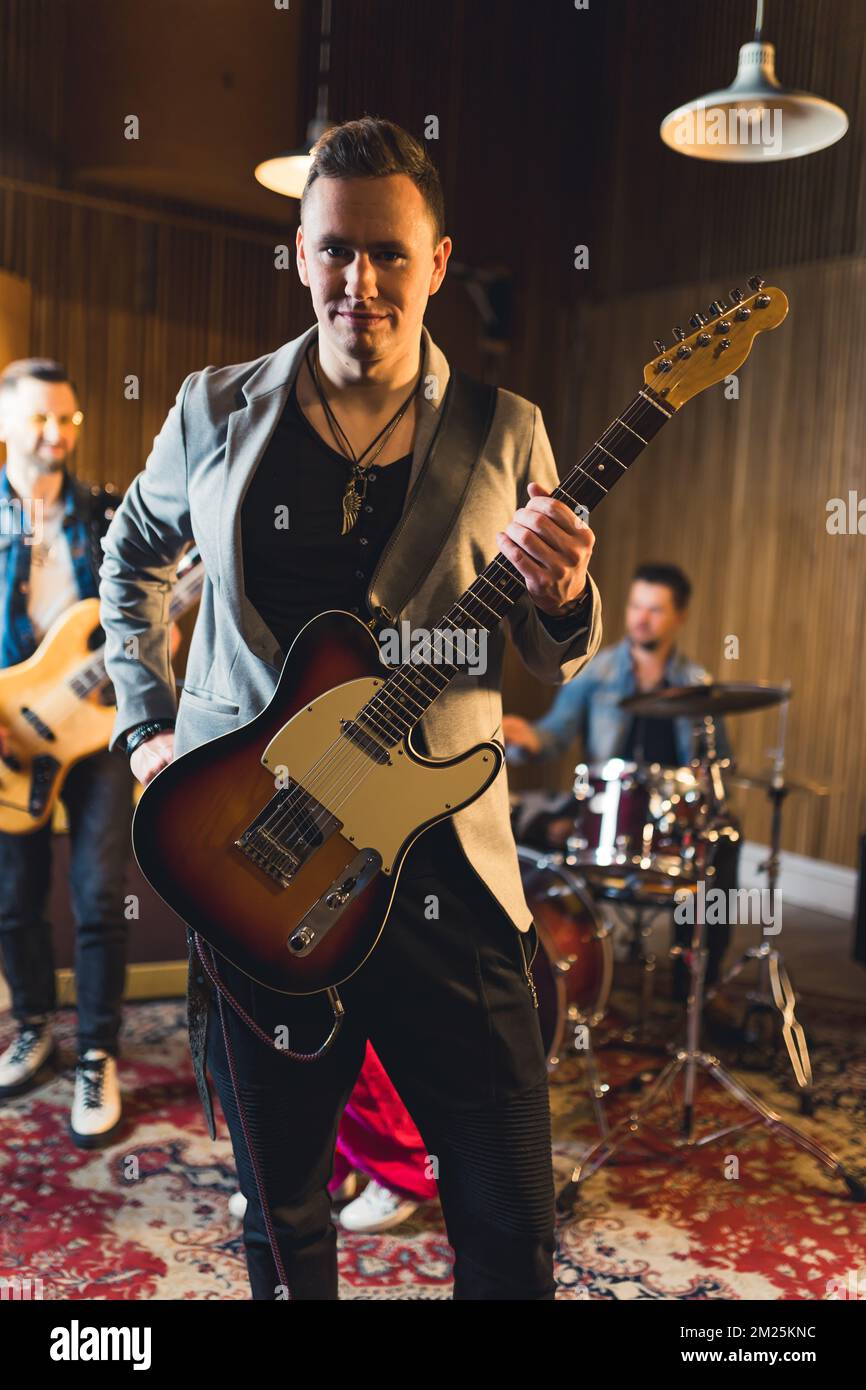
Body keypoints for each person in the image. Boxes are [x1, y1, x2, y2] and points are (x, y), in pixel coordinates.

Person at [99, 116, 602, 1301]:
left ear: (435, 262)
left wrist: (567, 593)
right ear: (298, 252)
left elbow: (547, 647)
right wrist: (144, 724)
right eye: (334, 250)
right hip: (258, 860)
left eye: (387, 254)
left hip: (445, 868)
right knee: (281, 1223)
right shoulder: (212, 409)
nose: (358, 283)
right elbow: (130, 557)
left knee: (509, 1218)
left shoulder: (506, 430)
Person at [0, 358, 133, 1146]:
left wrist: (162, 630)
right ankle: (35, 1027)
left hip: (101, 730)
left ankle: (97, 1053)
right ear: (7, 427)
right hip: (10, 729)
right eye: (43, 419)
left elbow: (146, 614)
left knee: (98, 892)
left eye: (70, 420)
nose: (59, 434)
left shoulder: (105, 513)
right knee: (13, 899)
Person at [504, 562, 739, 1003]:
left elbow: (715, 766)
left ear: (678, 616)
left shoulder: (696, 685)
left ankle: (695, 991)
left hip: (668, 818)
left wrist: (705, 791)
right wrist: (525, 738)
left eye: (654, 609)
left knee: (725, 838)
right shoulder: (598, 671)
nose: (640, 618)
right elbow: (553, 735)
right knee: (535, 831)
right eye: (635, 606)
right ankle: (552, 985)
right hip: (603, 808)